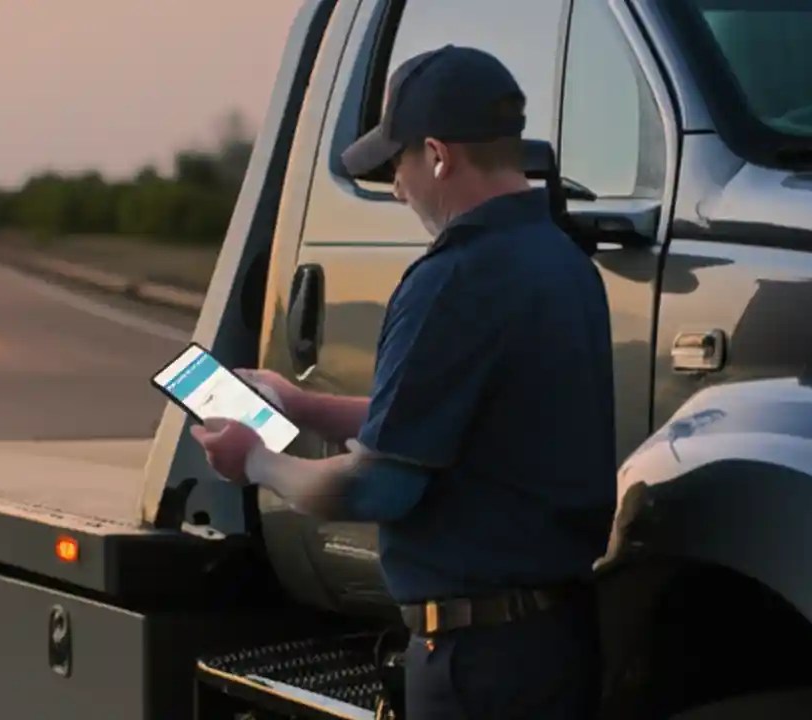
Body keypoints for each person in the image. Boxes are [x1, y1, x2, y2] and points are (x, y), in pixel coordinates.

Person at [190, 44, 618, 719]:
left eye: (400, 164)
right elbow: (462, 425)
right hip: (553, 644)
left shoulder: (453, 279)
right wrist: (304, 407)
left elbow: (373, 486)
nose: (397, 187)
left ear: (440, 156)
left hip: (475, 666)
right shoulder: (564, 262)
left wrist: (256, 461)